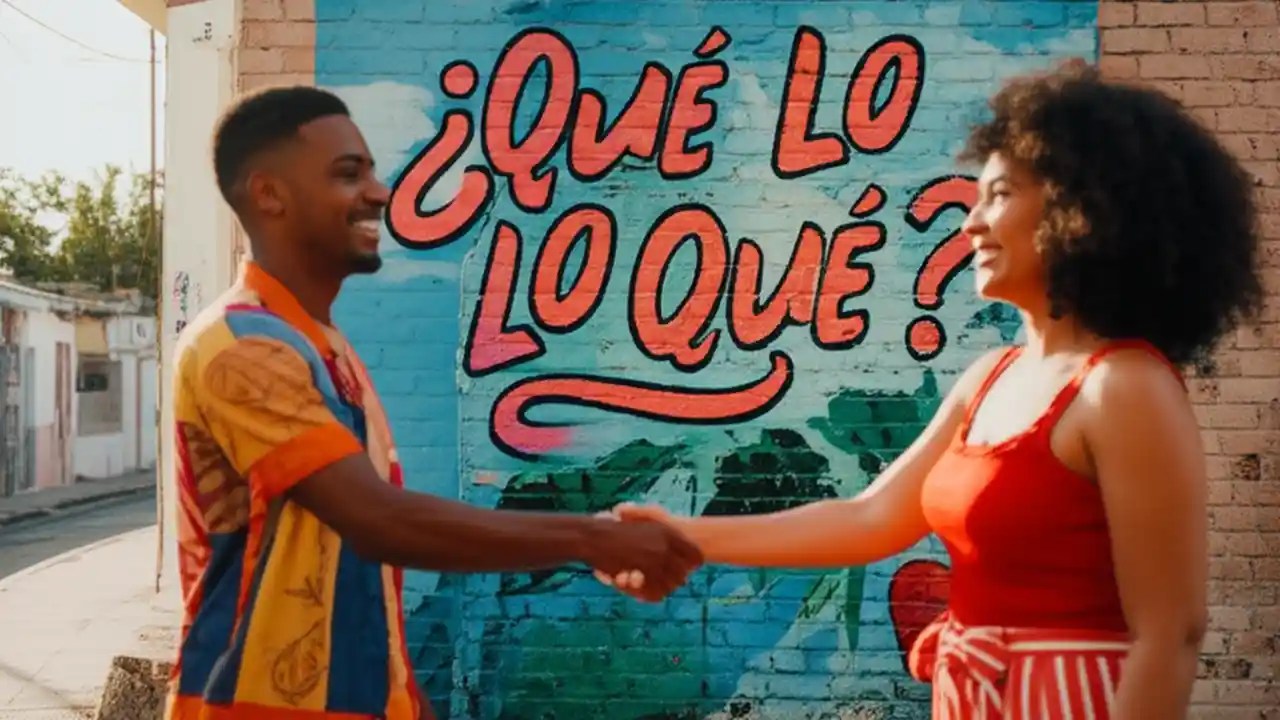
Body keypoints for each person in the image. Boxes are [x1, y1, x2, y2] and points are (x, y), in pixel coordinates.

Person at [599, 59, 1263, 719]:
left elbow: (1171, 634)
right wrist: (677, 535)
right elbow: (870, 519)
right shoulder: (990, 377)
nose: (970, 224)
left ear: (1084, 209)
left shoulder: (1124, 386)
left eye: (999, 195)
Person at [165, 86, 702, 720]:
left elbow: (354, 565)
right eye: (348, 173)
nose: (380, 191)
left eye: (370, 169)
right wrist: (592, 537)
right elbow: (378, 522)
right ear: (269, 194)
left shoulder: (320, 346)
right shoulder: (242, 347)